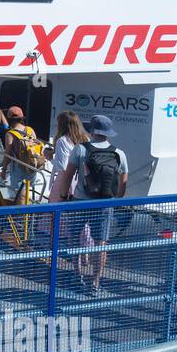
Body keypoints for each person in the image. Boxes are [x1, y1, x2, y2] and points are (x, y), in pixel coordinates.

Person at [61, 115, 129, 295]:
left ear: (92, 131)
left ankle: (77, 275)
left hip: (80, 202)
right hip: (105, 204)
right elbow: (123, 182)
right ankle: (95, 282)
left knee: (75, 238)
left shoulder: (80, 149)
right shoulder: (119, 153)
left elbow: (68, 175)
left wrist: (62, 196)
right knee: (101, 243)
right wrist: (116, 200)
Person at [1, 107, 41, 203]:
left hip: (19, 168)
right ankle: (27, 214)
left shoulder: (10, 134)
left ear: (9, 119)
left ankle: (22, 217)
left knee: (20, 195)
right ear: (22, 118)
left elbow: (8, 154)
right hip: (32, 166)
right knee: (27, 193)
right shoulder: (30, 130)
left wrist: (4, 169)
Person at [48, 111, 88, 202]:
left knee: (54, 211)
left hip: (65, 181)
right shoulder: (86, 139)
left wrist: (50, 157)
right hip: (81, 181)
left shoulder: (62, 141)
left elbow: (62, 167)